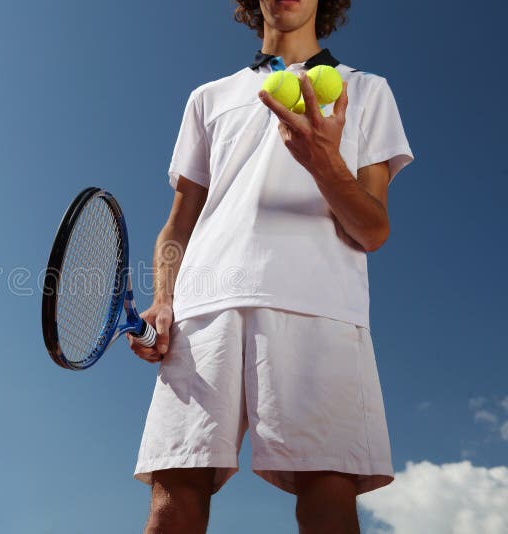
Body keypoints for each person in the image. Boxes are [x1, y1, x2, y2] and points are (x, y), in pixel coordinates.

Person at [127, 1, 414, 532]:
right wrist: (164, 299)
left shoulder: (368, 89)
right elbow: (177, 225)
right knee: (173, 504)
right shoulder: (207, 98)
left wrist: (324, 163)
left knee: (328, 497)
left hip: (321, 306)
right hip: (204, 308)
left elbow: (373, 229)